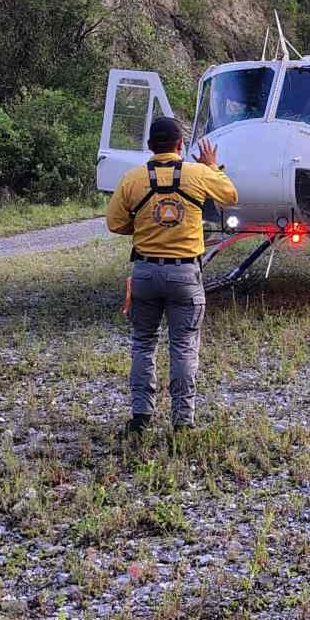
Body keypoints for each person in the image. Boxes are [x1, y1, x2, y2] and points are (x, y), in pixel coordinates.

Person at [105, 116, 238, 434]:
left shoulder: (132, 179)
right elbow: (230, 196)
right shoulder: (199, 174)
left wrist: (142, 227)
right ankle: (182, 420)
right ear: (181, 145)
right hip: (185, 275)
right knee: (183, 345)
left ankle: (140, 417)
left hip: (145, 273)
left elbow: (115, 223)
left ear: (150, 146)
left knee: (142, 343)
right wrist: (212, 166)